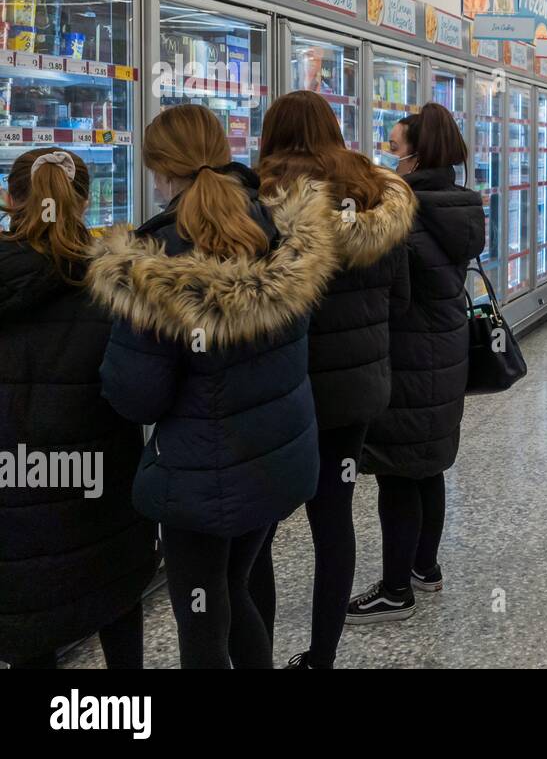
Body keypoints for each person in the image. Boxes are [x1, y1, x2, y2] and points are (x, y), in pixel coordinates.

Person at [86, 104, 338, 669]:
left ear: (161, 170)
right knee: (233, 587)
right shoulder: (275, 230)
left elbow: (137, 396)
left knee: (201, 615)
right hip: (277, 458)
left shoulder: (156, 263)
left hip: (203, 476)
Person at [253, 91, 415, 669]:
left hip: (280, 393)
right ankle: (322, 657)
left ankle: (257, 656)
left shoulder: (261, 201)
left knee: (259, 532)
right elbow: (402, 301)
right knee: (334, 516)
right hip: (355, 395)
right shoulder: (373, 198)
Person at [0, 149, 158, 670]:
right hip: (103, 492)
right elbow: (137, 395)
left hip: (15, 504)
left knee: (27, 628)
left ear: (8, 199)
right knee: (117, 606)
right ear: (85, 203)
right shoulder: (114, 282)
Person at [346, 103, 484, 624]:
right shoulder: (458, 201)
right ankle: (425, 567)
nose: (388, 156)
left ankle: (396, 589)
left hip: (408, 352)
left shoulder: (403, 209)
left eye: (393, 146)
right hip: (445, 348)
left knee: (399, 474)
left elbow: (396, 297)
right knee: (430, 463)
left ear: (414, 155)